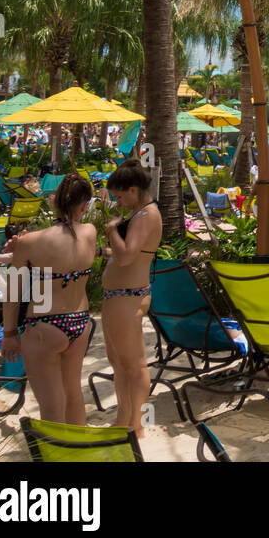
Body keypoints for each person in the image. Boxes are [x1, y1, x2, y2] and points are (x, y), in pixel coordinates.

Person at [1, 173, 98, 426]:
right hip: (80, 322)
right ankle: (78, 453)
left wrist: (9, 333)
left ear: (53, 201)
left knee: (52, 406)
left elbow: (13, 293)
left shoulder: (30, 242)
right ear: (84, 205)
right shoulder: (90, 232)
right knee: (73, 396)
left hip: (45, 325)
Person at [100, 159, 163, 437]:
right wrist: (105, 251)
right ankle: (124, 420)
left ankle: (136, 427)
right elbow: (130, 254)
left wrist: (113, 230)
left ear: (134, 189)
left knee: (133, 365)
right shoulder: (141, 214)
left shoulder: (145, 215)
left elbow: (126, 256)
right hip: (121, 296)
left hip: (127, 296)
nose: (119, 202)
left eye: (120, 196)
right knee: (120, 364)